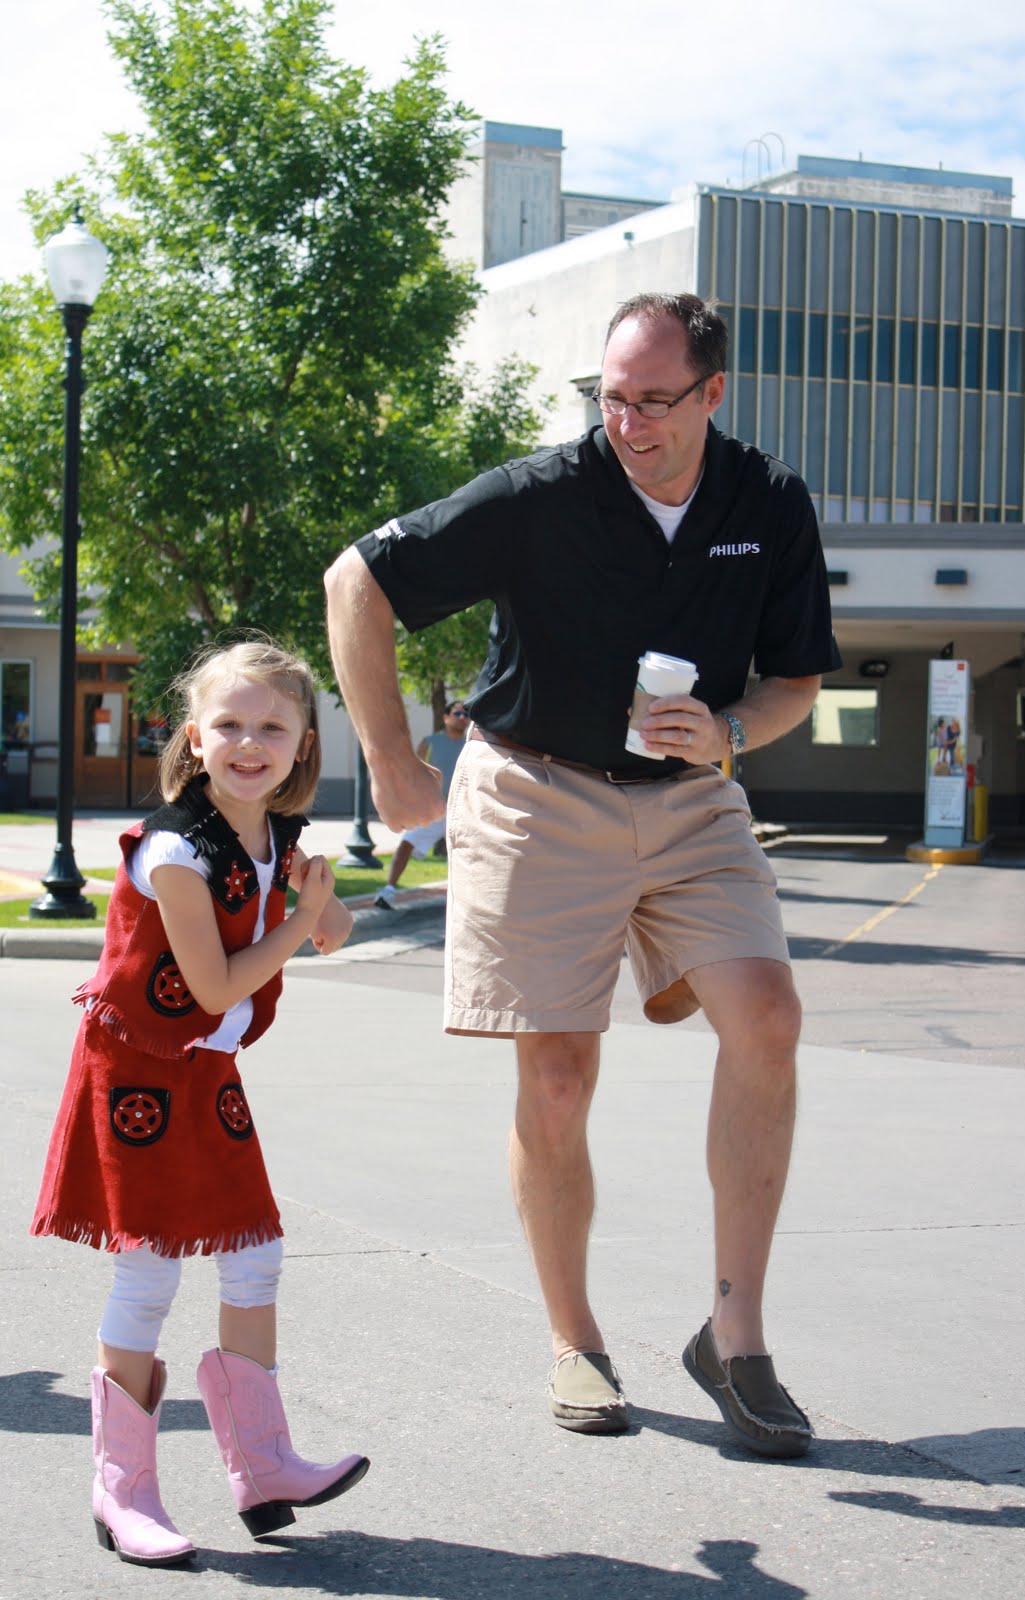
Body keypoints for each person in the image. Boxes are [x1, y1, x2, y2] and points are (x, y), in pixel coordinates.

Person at [324, 292, 842, 1460]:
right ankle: (573, 1337)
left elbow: (792, 681)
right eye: (608, 396)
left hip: (690, 796)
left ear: (713, 392)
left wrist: (731, 734)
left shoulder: (767, 502)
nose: (626, 420)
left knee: (765, 1016)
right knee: (557, 1077)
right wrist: (398, 765)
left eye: (652, 399)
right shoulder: (538, 495)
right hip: (535, 788)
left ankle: (735, 1335)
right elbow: (354, 580)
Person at [31, 639, 368, 1567]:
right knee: (150, 1271)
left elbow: (334, 932)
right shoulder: (177, 847)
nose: (249, 742)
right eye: (229, 724)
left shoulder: (273, 837)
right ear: (194, 737)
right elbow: (217, 987)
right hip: (137, 1069)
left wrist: (314, 893)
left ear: (305, 744)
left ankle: (262, 1468)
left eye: (273, 725)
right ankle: (122, 1493)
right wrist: (301, 918)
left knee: (253, 1250)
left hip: (200, 1070)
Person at [374, 699, 470, 909]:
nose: (462, 718)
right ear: (445, 718)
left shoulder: (471, 747)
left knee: (465, 855)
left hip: (463, 811)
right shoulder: (430, 742)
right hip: (435, 809)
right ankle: (388, 891)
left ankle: (464, 901)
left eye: (466, 714)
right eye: (457, 713)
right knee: (406, 843)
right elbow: (415, 771)